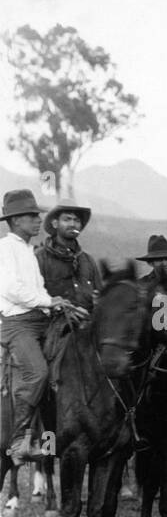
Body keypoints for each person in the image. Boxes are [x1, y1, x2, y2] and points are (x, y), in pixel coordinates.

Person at [1, 190, 83, 461]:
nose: (39, 220)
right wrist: (49, 300)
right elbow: (13, 290)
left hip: (39, 319)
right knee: (37, 373)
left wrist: (60, 304)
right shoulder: (5, 249)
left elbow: (36, 293)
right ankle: (18, 441)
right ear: (14, 221)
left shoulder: (28, 250)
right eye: (31, 216)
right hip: (17, 323)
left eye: (37, 215)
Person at [35, 199, 101, 313]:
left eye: (77, 220)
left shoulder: (88, 261)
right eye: (67, 219)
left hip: (87, 324)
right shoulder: (40, 258)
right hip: (51, 324)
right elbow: (32, 298)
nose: (72, 224)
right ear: (55, 223)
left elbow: (99, 295)